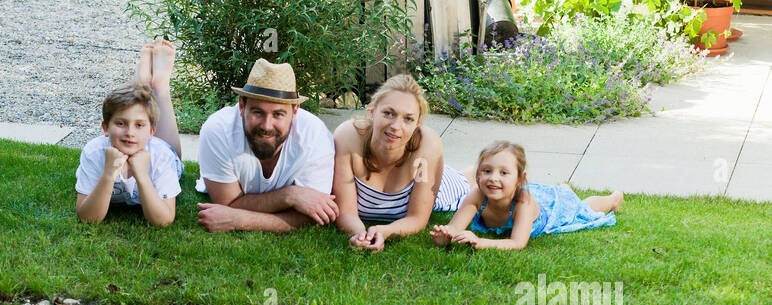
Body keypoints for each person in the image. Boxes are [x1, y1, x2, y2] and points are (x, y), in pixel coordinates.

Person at [195, 58, 338, 233]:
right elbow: (227, 203)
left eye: (278, 114)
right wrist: (291, 196)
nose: (266, 126)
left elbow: (313, 214)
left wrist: (239, 219)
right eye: (257, 112)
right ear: (241, 106)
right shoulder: (218, 130)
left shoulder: (315, 135)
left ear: (295, 112)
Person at [332, 73, 470, 252]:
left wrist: (385, 231)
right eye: (389, 113)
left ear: (417, 124)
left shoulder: (427, 146)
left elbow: (417, 218)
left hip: (439, 184)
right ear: (373, 111)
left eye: (408, 119)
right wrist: (361, 234)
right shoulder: (347, 137)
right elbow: (346, 212)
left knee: (471, 180)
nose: (396, 126)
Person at [432, 140, 623, 250]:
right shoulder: (477, 194)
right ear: (477, 174)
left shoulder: (523, 202)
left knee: (581, 208)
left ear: (519, 180)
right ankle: (565, 189)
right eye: (487, 171)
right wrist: (447, 235)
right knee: (567, 195)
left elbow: (518, 242)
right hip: (537, 197)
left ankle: (612, 199)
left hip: (551, 211)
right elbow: (455, 227)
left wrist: (481, 242)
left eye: (503, 173)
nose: (493, 178)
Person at [75, 40, 184, 227]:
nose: (129, 133)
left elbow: (163, 220)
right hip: (139, 146)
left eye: (139, 125)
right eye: (120, 123)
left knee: (174, 153)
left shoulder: (162, 156)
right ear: (105, 128)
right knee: (139, 110)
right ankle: (143, 87)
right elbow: (88, 218)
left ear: (151, 132)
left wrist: (142, 175)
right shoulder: (93, 152)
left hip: (164, 150)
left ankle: (159, 86)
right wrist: (109, 173)